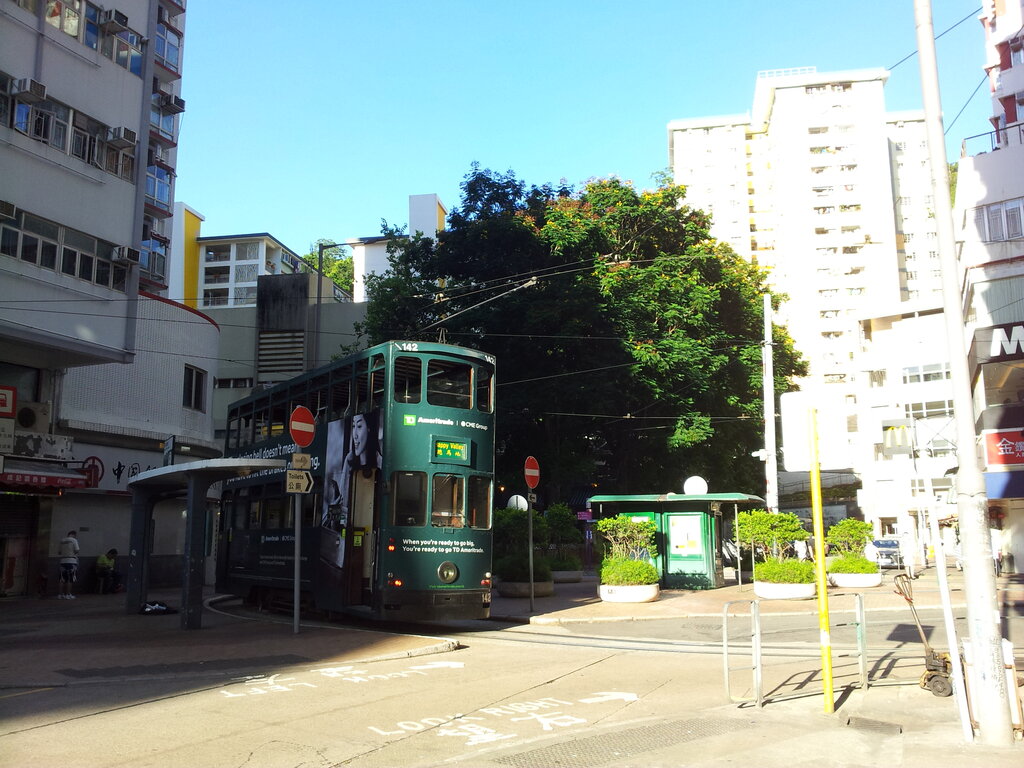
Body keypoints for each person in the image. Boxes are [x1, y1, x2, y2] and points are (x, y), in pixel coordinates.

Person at [58, 530, 79, 599]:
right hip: (71, 561)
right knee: (70, 579)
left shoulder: (62, 540)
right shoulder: (74, 540)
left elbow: (59, 552)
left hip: (62, 561)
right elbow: (77, 550)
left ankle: (60, 595)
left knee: (62, 579)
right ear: (74, 535)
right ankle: (68, 594)